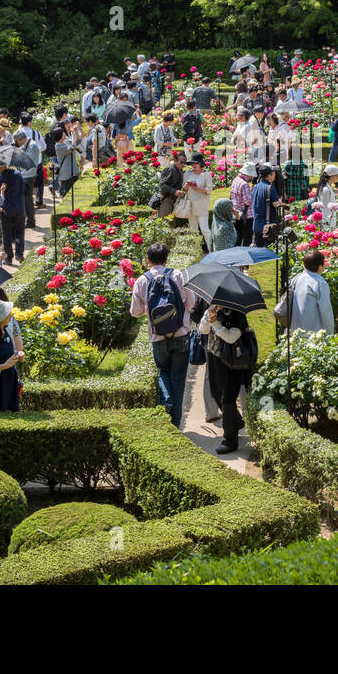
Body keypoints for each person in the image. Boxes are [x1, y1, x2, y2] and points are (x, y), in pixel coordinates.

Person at [129, 242, 196, 426]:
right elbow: (191, 303)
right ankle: (175, 423)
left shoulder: (142, 280)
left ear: (148, 260)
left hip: (157, 337)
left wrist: (149, 311)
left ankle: (166, 399)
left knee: (163, 371)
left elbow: (134, 312)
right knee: (179, 379)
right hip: (181, 335)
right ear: (167, 259)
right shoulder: (178, 275)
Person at [199, 304, 256, 454]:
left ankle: (230, 440)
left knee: (228, 398)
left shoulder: (238, 314)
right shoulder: (212, 310)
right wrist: (208, 317)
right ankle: (235, 422)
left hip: (232, 361)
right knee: (215, 392)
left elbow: (231, 338)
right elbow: (202, 330)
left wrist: (215, 323)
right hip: (214, 357)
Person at [288, 249, 335, 334]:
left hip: (295, 329)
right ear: (320, 266)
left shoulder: (297, 278)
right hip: (314, 334)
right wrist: (330, 332)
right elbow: (326, 312)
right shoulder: (320, 284)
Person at [0, 159, 26, 265]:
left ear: (0, 167)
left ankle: (8, 258)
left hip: (5, 209)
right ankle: (19, 254)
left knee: (6, 234)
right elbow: (25, 189)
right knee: (20, 232)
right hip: (19, 207)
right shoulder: (18, 174)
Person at [182, 153, 214, 250]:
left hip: (202, 205)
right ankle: (195, 251)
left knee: (205, 230)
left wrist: (197, 189)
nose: (193, 165)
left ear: (201, 164)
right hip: (190, 205)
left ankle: (211, 251)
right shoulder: (187, 173)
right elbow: (183, 189)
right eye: (192, 163)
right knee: (193, 230)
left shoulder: (206, 175)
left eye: (195, 163)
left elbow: (209, 190)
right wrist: (186, 187)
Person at [251, 164, 281, 247]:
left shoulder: (255, 187)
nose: (275, 175)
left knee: (259, 253)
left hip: (256, 225)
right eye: (274, 173)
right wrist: (283, 204)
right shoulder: (269, 188)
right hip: (268, 227)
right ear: (269, 175)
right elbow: (276, 204)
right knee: (269, 252)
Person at [153, 148, 188, 218]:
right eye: (181, 162)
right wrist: (174, 191)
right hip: (166, 200)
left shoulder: (179, 170)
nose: (184, 164)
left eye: (185, 162)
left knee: (171, 223)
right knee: (165, 223)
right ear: (175, 160)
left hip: (173, 200)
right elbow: (162, 185)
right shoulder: (170, 169)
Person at [230, 161, 257, 247]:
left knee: (238, 237)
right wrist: (252, 191)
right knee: (247, 238)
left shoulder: (236, 179)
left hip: (236, 212)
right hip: (246, 215)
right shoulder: (245, 184)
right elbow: (248, 201)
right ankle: (246, 255)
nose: (251, 177)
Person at [312, 164, 338, 228]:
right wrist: (326, 226)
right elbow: (325, 209)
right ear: (332, 176)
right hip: (327, 223)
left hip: (330, 221)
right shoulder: (326, 189)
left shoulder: (326, 187)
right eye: (337, 175)